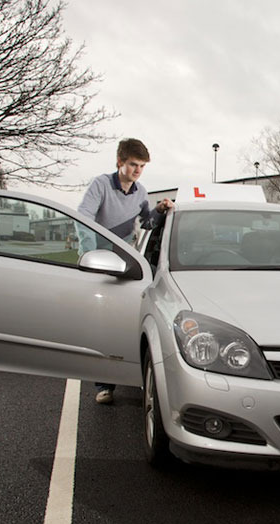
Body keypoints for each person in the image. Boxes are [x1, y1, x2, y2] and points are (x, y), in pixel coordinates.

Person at [77, 138, 174, 405]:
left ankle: (138, 371)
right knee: (103, 321)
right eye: (133, 164)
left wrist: (160, 210)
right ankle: (104, 384)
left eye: (142, 166)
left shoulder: (141, 191)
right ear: (120, 162)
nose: (137, 171)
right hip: (101, 261)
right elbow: (83, 218)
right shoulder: (100, 185)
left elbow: (145, 223)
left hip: (126, 262)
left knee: (128, 317)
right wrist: (89, 255)